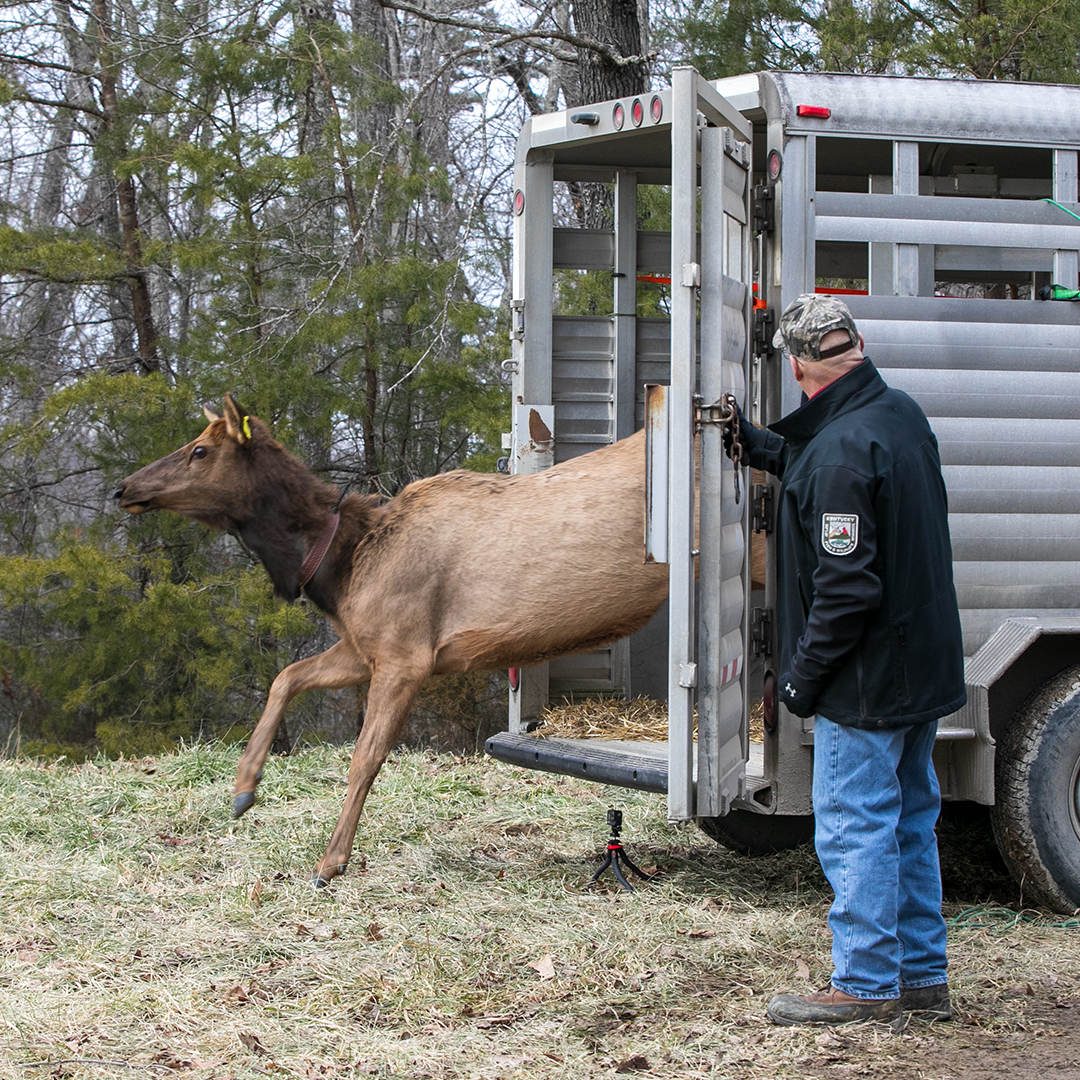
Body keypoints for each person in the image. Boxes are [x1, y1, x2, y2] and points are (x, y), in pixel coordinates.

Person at [728, 294, 967, 1030]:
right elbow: (830, 463)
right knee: (909, 822)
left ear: (798, 366)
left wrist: (799, 679)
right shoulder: (898, 416)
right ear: (855, 348)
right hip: (919, 673)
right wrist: (761, 445)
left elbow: (845, 588)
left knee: (855, 824)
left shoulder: (838, 453)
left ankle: (864, 983)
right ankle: (922, 978)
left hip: (864, 682)